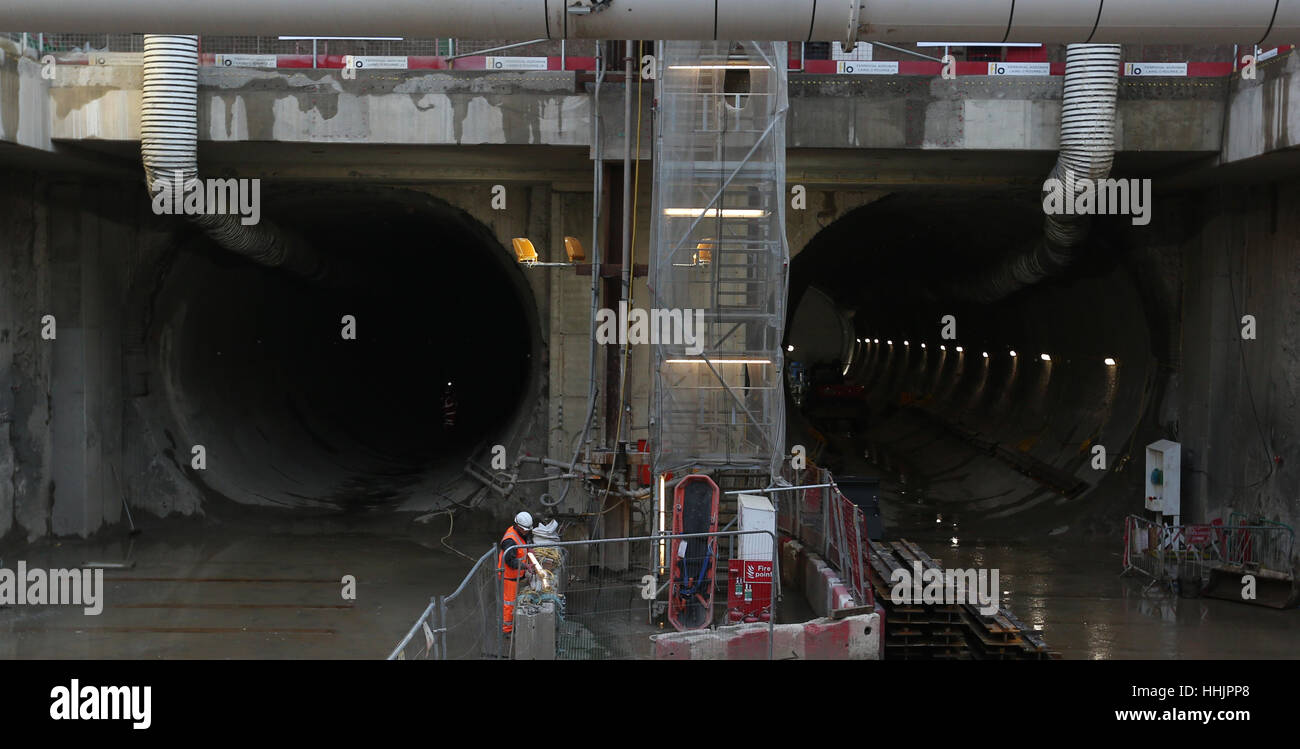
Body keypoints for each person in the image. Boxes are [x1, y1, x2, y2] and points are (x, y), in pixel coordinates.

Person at [498, 510, 534, 633]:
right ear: (517, 526)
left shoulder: (523, 532)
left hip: (518, 574)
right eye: (524, 529)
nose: (526, 531)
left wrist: (531, 550)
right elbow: (511, 562)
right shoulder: (509, 541)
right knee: (509, 603)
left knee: (515, 601)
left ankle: (514, 623)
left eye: (527, 530)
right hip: (509, 576)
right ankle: (507, 630)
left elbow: (527, 539)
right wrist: (525, 566)